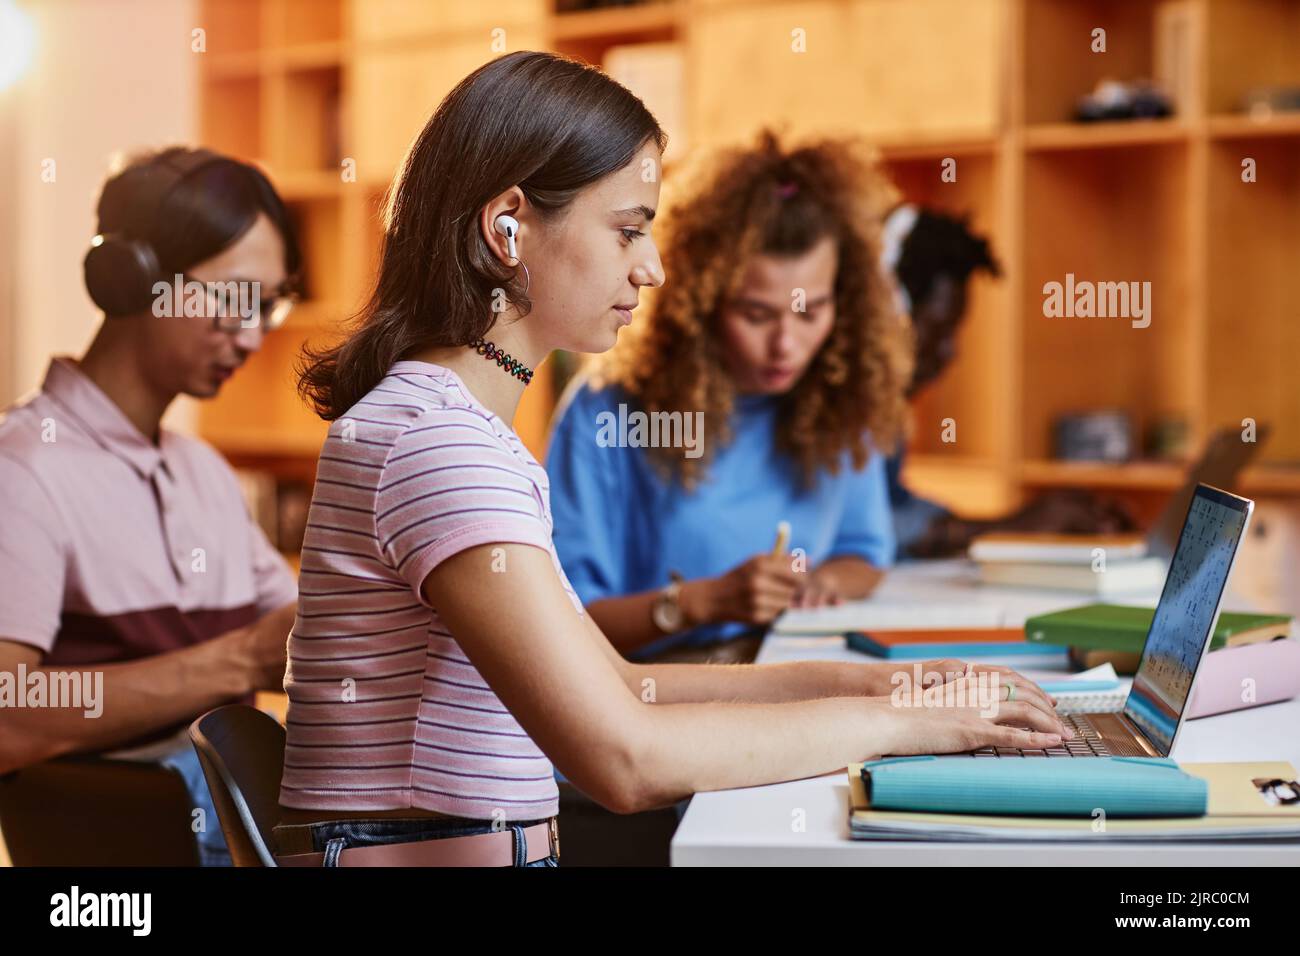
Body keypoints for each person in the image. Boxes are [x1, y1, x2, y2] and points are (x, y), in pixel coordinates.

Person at [281, 51, 1069, 869]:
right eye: (627, 230)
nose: (652, 269)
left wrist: (892, 687)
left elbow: (627, 685)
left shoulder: (448, 428)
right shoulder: (441, 447)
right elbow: (627, 761)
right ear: (507, 225)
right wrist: (915, 728)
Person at [0, 147, 303, 865]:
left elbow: (296, 634)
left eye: (270, 304)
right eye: (233, 300)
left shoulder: (203, 473)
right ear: (132, 280)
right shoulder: (24, 471)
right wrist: (235, 664)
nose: (254, 335)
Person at [545, 132, 908, 662]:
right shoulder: (607, 411)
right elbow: (562, 628)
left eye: (811, 312)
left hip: (790, 672)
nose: (787, 345)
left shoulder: (840, 397)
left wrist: (821, 582)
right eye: (757, 315)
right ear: (700, 303)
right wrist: (702, 603)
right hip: (655, 693)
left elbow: (863, 552)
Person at [879, 205, 1134, 558]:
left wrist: (1007, 523)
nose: (950, 351)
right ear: (888, 315)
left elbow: (896, 503)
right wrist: (1010, 525)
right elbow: (865, 530)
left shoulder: (884, 415)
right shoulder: (835, 406)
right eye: (938, 329)